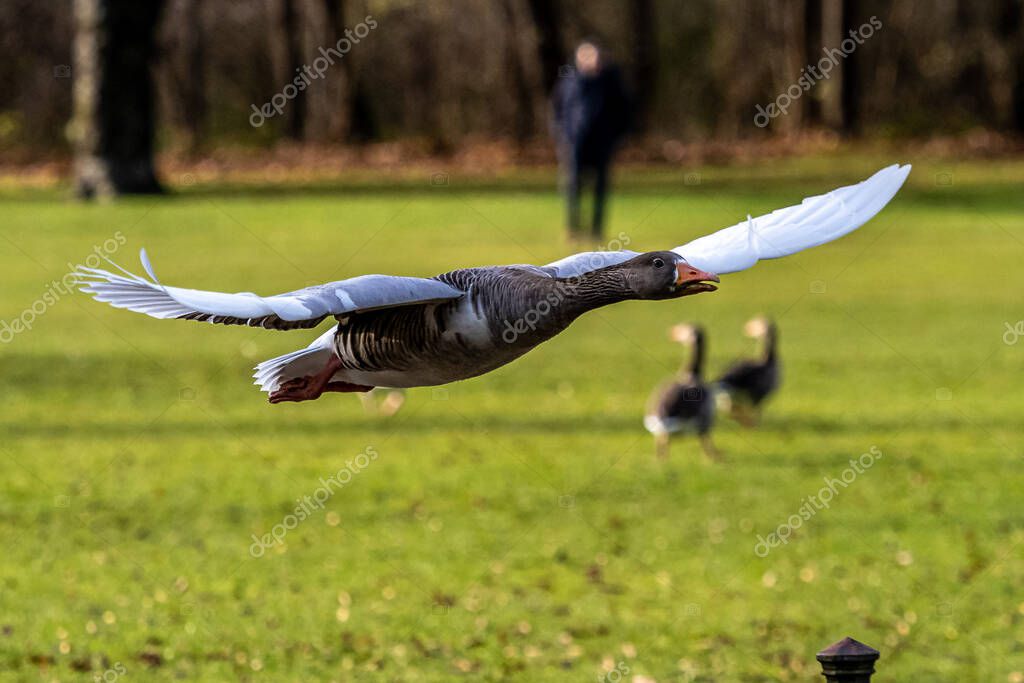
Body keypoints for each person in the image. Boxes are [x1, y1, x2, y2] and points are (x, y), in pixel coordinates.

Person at [552, 41, 632, 242]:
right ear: (579, 60)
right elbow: (557, 110)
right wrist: (561, 136)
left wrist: (617, 137)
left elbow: (624, 111)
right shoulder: (569, 81)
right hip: (574, 143)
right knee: (573, 187)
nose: (591, 61)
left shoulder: (611, 82)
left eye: (594, 57)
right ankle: (573, 228)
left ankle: (596, 230)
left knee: (600, 188)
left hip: (602, 144)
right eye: (586, 57)